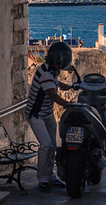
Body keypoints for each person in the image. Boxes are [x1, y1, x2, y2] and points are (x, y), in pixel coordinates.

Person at [25, 41, 73, 192]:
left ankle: (51, 176)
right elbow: (52, 94)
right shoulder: (46, 72)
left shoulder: (51, 70)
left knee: (52, 144)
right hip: (36, 114)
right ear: (53, 59)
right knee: (46, 145)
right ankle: (43, 179)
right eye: (59, 63)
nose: (60, 66)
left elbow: (52, 83)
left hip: (47, 113)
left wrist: (61, 84)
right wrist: (68, 105)